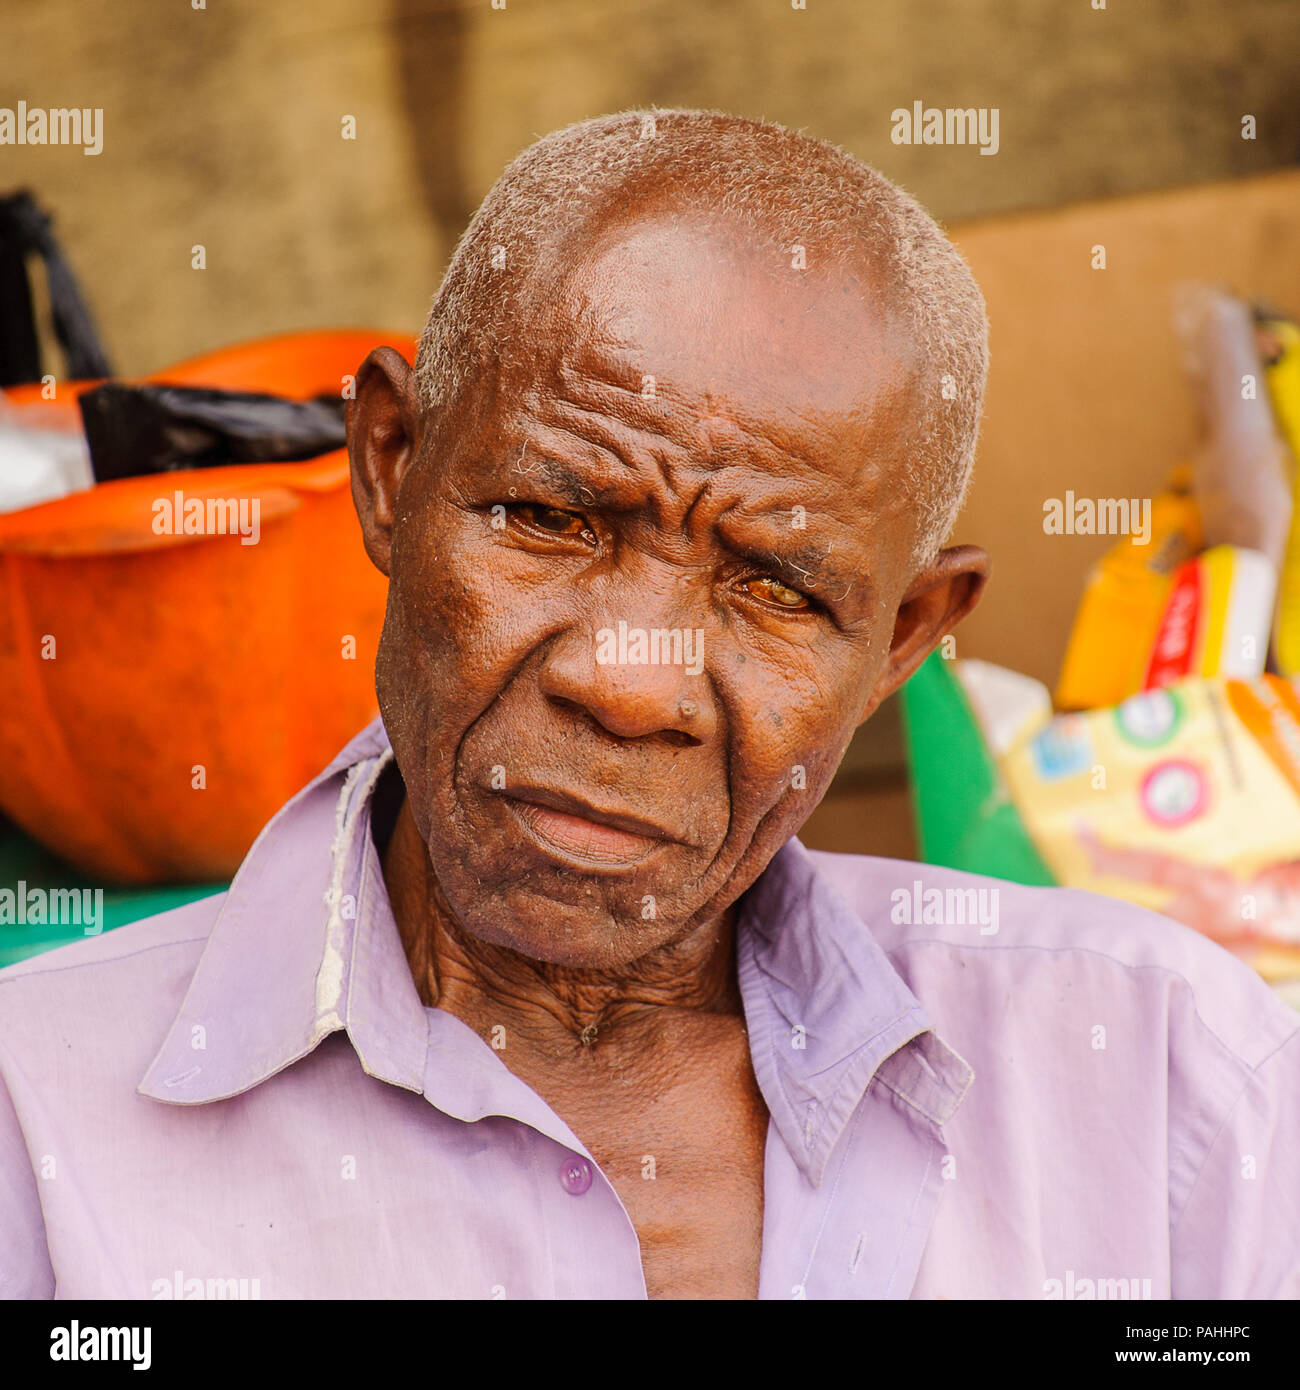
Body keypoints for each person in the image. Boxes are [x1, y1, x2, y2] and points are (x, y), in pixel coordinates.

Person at [1, 109, 1296, 1301]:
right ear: (390, 470)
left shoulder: (1173, 1082)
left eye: (778, 587)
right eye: (552, 518)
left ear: (903, 637)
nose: (630, 683)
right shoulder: (37, 1127)